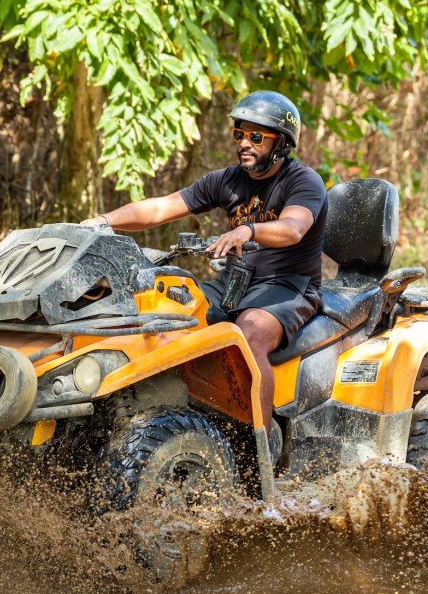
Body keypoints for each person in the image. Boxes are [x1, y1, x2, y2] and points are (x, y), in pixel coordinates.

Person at [81, 91, 328, 459]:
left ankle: (262, 445)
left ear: (281, 142)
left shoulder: (304, 182)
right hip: (235, 283)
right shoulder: (227, 180)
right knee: (165, 311)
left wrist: (248, 231)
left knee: (250, 332)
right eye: (239, 134)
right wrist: (103, 222)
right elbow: (160, 208)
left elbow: (293, 228)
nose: (244, 143)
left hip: (290, 287)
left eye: (256, 137)